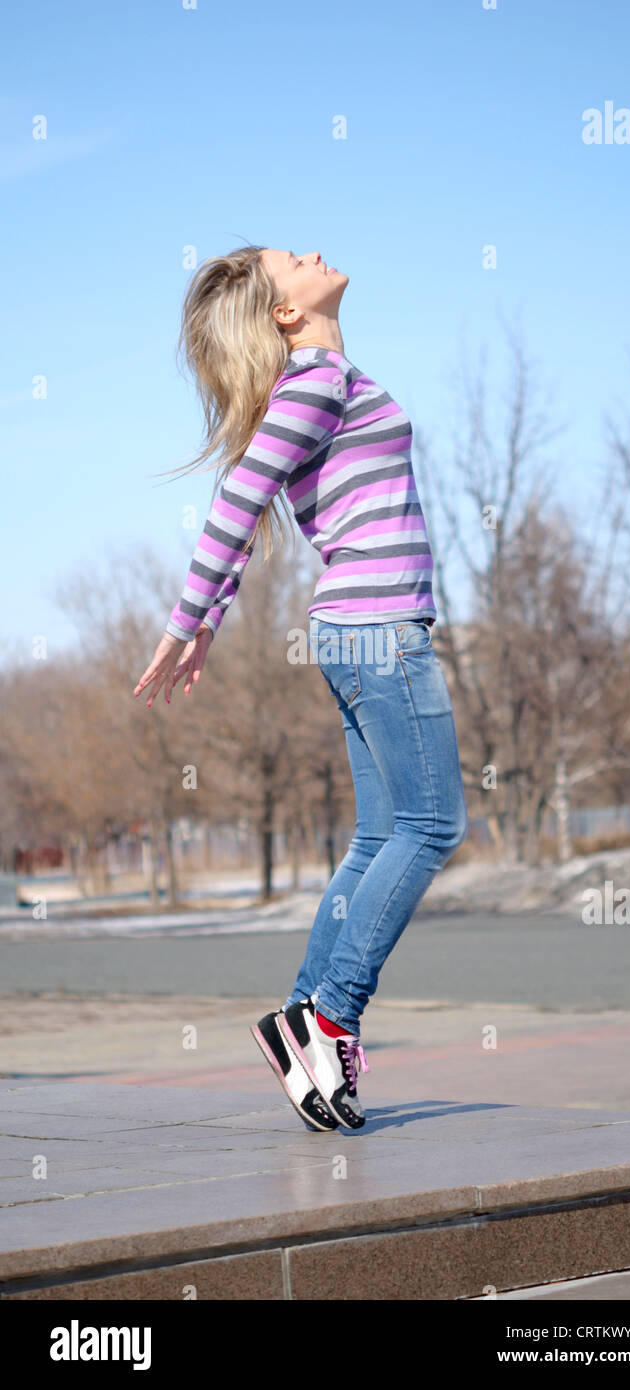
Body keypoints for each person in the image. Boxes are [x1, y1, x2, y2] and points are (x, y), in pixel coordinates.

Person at [133, 246, 468, 1134]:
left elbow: (250, 499)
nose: (314, 253)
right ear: (286, 313)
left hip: (358, 632)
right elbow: (240, 499)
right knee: (434, 826)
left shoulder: (325, 380)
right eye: (294, 259)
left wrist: (208, 615)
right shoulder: (316, 380)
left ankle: (303, 1022)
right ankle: (329, 1015)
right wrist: (189, 618)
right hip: (381, 630)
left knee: (378, 839)